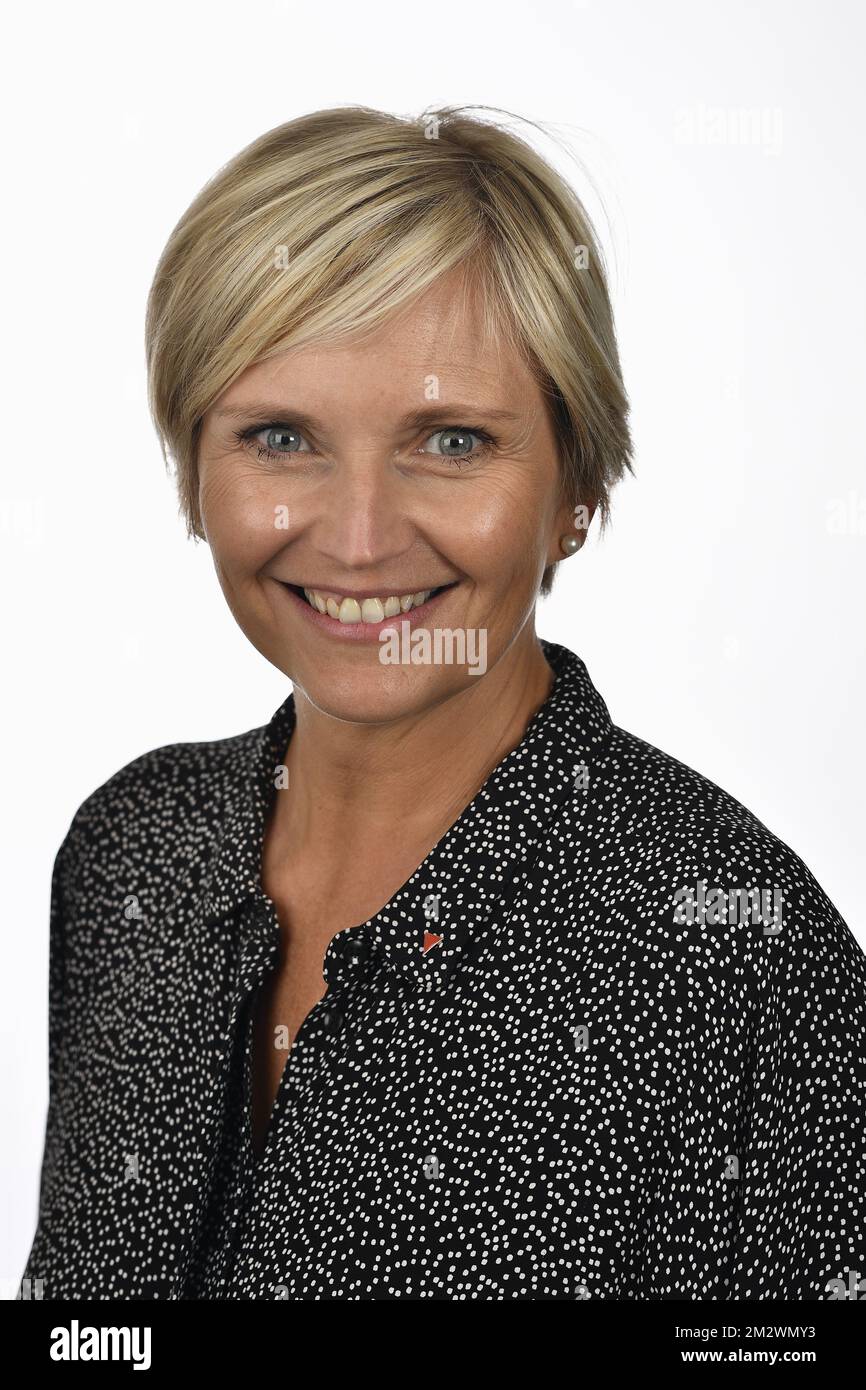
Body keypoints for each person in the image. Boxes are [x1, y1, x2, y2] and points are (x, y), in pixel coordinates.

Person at [20, 105, 866, 1300]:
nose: (359, 538)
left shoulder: (743, 962)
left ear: (579, 484)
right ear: (192, 475)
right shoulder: (132, 852)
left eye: (453, 442)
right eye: (278, 436)